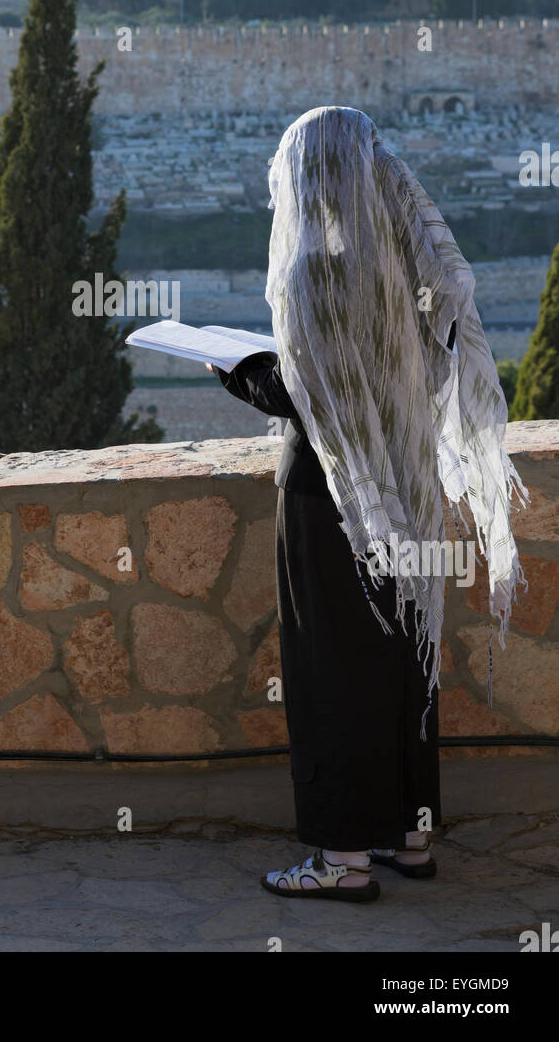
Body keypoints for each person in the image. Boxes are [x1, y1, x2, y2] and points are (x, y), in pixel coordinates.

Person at [209, 106, 527, 903]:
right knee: (401, 663)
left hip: (335, 501)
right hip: (407, 489)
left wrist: (236, 370)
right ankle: (409, 838)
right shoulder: (404, 259)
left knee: (331, 674)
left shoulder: (312, 267)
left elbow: (305, 393)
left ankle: (340, 859)